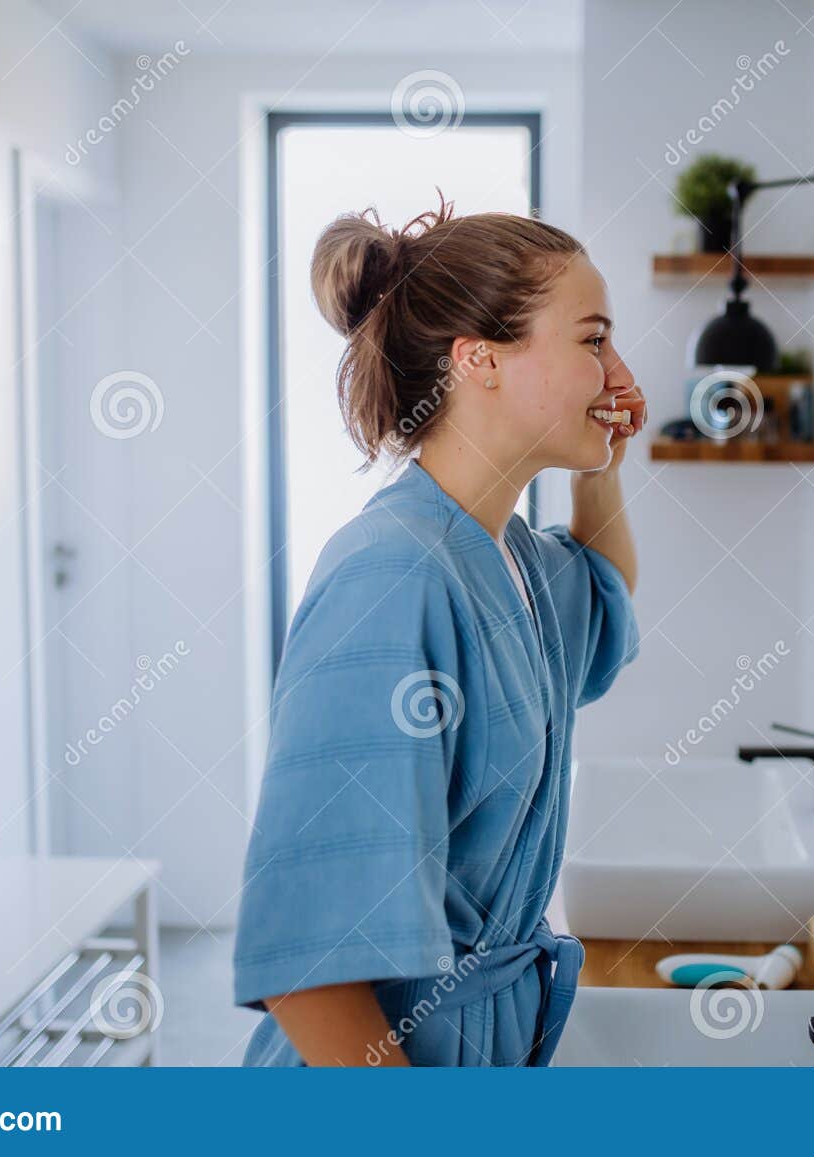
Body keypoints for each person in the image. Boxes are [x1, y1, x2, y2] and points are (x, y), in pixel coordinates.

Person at [232, 194, 645, 1066]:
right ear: (479, 358)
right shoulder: (391, 579)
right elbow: (311, 970)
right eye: (593, 339)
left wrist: (606, 460)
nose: (619, 373)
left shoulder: (512, 556)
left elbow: (606, 601)